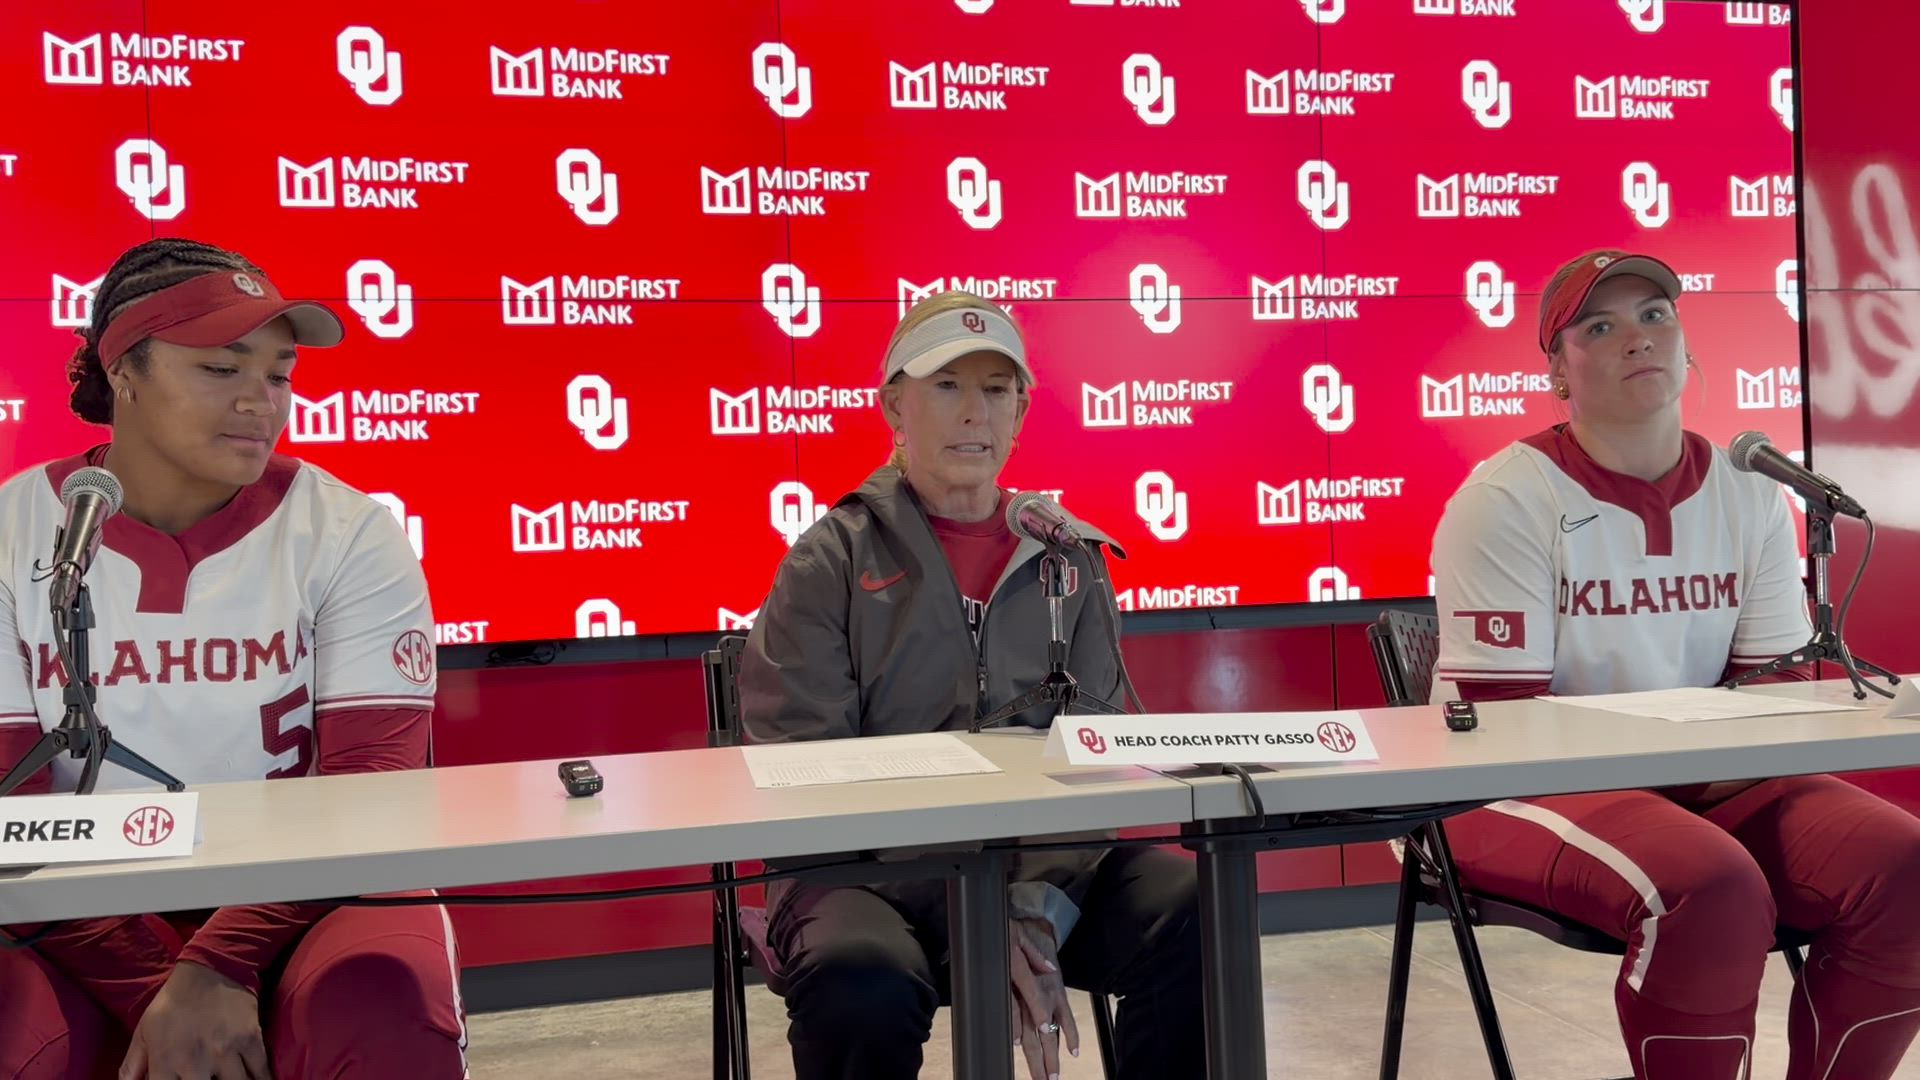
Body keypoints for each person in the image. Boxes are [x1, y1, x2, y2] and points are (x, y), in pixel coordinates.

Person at [1430, 250, 1920, 1080]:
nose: (1637, 339)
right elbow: (1502, 724)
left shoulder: (1753, 490)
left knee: (1906, 866)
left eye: (1655, 317)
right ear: (1558, 370)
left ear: (1688, 348)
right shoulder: (1508, 497)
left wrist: (1699, 764)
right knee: (1709, 887)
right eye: (1601, 326)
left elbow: (1776, 685)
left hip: (1702, 779)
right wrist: (1676, 760)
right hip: (1503, 785)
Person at [0, 239, 468, 1079]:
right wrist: (158, 989)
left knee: (383, 1007)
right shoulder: (14, 534)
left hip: (314, 892)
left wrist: (216, 964)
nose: (262, 401)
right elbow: (7, 817)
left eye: (279, 374)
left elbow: (375, 789)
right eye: (222, 369)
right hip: (75, 902)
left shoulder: (349, 532)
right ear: (125, 372)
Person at [738, 291, 1202, 1080]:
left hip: (1038, 880)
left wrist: (1023, 905)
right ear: (894, 405)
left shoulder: (1071, 560)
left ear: (1020, 413)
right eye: (946, 386)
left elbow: (1095, 759)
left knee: (1197, 903)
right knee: (859, 979)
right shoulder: (828, 562)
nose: (973, 413)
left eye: (995, 389)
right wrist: (975, 907)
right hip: (867, 877)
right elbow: (805, 778)